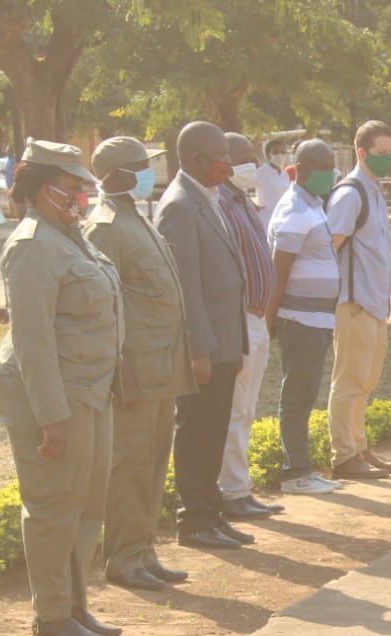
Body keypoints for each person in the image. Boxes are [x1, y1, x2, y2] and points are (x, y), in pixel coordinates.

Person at [0, 139, 124, 636]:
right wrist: (51, 417)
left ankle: (75, 605)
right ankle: (52, 614)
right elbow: (33, 340)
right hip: (47, 395)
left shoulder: (70, 236)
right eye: (72, 188)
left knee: (87, 503)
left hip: (88, 389)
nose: (81, 198)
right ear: (43, 190)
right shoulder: (32, 246)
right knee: (53, 504)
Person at [84, 136, 195, 591]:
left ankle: (143, 548)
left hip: (162, 366)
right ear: (113, 175)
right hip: (134, 369)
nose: (149, 173)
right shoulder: (106, 226)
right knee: (129, 464)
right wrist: (117, 366)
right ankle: (123, 557)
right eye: (139, 166)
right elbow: (103, 305)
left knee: (153, 462)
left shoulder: (137, 218)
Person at [156, 121, 252, 550]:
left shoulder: (208, 199)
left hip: (226, 343)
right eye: (220, 157)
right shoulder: (179, 206)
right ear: (195, 159)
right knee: (198, 433)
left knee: (215, 432)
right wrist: (198, 350)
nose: (227, 165)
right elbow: (186, 287)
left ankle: (210, 513)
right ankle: (193, 520)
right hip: (205, 347)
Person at [264, 139, 344, 496]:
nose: (332, 173)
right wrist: (270, 319)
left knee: (305, 393)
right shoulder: (295, 209)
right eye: (325, 167)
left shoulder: (312, 204)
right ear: (305, 170)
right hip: (298, 319)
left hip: (316, 319)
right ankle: (295, 473)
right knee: (296, 397)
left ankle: (301, 468)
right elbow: (279, 273)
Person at [218, 132, 286, 520]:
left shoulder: (242, 200)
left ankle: (239, 487)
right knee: (235, 409)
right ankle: (233, 490)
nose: (252, 167)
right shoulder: (221, 204)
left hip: (257, 317)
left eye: (253, 159)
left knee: (246, 408)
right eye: (243, 160)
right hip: (240, 317)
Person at [328, 120, 391, 481]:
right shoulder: (350, 194)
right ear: (361, 153)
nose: (389, 159)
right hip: (354, 303)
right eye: (381, 153)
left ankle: (359, 447)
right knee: (349, 381)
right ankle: (343, 455)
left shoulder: (374, 190)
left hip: (374, 303)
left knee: (365, 382)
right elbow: (330, 248)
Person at [255, 138, 292, 229]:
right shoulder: (262, 172)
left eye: (283, 152)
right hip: (266, 222)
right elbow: (242, 185)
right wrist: (252, 206)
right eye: (275, 152)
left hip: (284, 221)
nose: (280, 155)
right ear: (268, 155)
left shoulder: (285, 174)